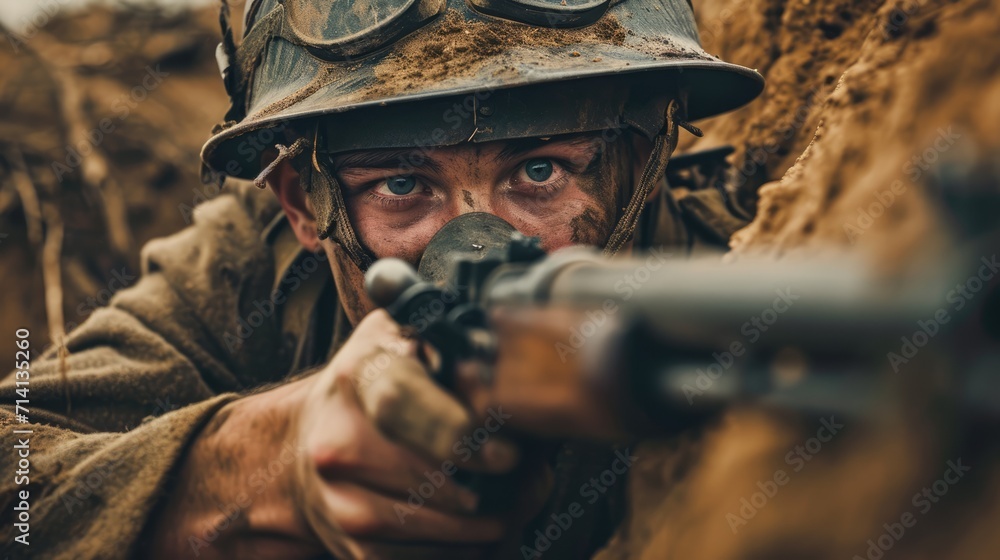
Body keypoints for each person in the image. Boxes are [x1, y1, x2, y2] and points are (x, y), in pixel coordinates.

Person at [0, 0, 762, 558]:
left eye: (541, 171)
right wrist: (266, 463)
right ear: (303, 203)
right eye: (400, 185)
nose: (477, 240)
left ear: (646, 167)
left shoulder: (736, 274)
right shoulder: (253, 272)